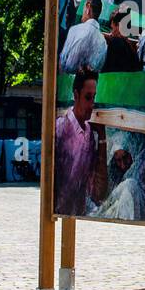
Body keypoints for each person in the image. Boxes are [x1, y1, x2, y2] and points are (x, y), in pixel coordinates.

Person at [53, 69, 108, 215]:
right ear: (76, 95)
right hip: (59, 208)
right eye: (88, 97)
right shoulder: (60, 128)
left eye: (94, 97)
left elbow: (97, 191)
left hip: (78, 211)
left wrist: (102, 138)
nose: (92, 104)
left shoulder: (90, 134)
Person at [60, 0, 109, 74]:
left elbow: (62, 62)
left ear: (88, 6)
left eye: (82, 7)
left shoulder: (74, 30)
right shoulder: (103, 41)